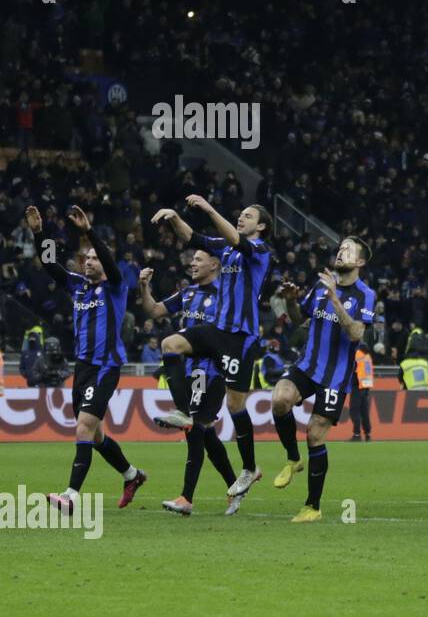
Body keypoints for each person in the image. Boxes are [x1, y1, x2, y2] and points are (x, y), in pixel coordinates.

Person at [27, 205, 148, 514]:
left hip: (106, 366)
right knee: (95, 436)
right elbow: (50, 264)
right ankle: (132, 475)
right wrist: (40, 233)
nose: (90, 262)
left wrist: (88, 230)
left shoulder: (115, 286)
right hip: (82, 367)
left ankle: (70, 495)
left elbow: (111, 262)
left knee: (82, 428)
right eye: (87, 258)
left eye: (94, 258)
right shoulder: (78, 285)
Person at [152, 197, 274, 504]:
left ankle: (248, 468)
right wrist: (174, 216)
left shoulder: (259, 251)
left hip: (241, 337)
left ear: (261, 225)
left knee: (235, 406)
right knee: (171, 344)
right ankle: (182, 410)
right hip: (217, 331)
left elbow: (234, 237)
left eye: (247, 216)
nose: (241, 218)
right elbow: (194, 237)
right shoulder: (227, 248)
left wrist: (207, 209)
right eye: (241, 214)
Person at [269, 236, 376, 522]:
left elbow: (356, 334)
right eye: (340, 248)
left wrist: (334, 299)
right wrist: (291, 301)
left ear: (361, 262)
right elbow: (296, 319)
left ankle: (312, 507)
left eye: (348, 250)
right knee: (279, 400)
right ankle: (293, 459)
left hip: (336, 376)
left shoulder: (365, 295)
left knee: (315, 434)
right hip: (306, 365)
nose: (341, 252)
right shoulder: (320, 284)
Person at [137, 249, 239, 515]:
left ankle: (186, 498)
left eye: (198, 259)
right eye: (192, 259)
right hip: (192, 372)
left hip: (214, 372)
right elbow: (155, 310)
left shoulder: (226, 296)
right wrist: (144, 288)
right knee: (205, 435)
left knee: (195, 432)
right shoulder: (188, 293)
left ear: (214, 264)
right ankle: (236, 485)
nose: (192, 263)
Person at [350, 342, 374, 442]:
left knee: (355, 412)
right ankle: (368, 435)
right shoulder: (367, 356)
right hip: (366, 387)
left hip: (357, 386)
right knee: (364, 413)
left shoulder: (356, 354)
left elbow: (352, 370)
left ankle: (357, 435)